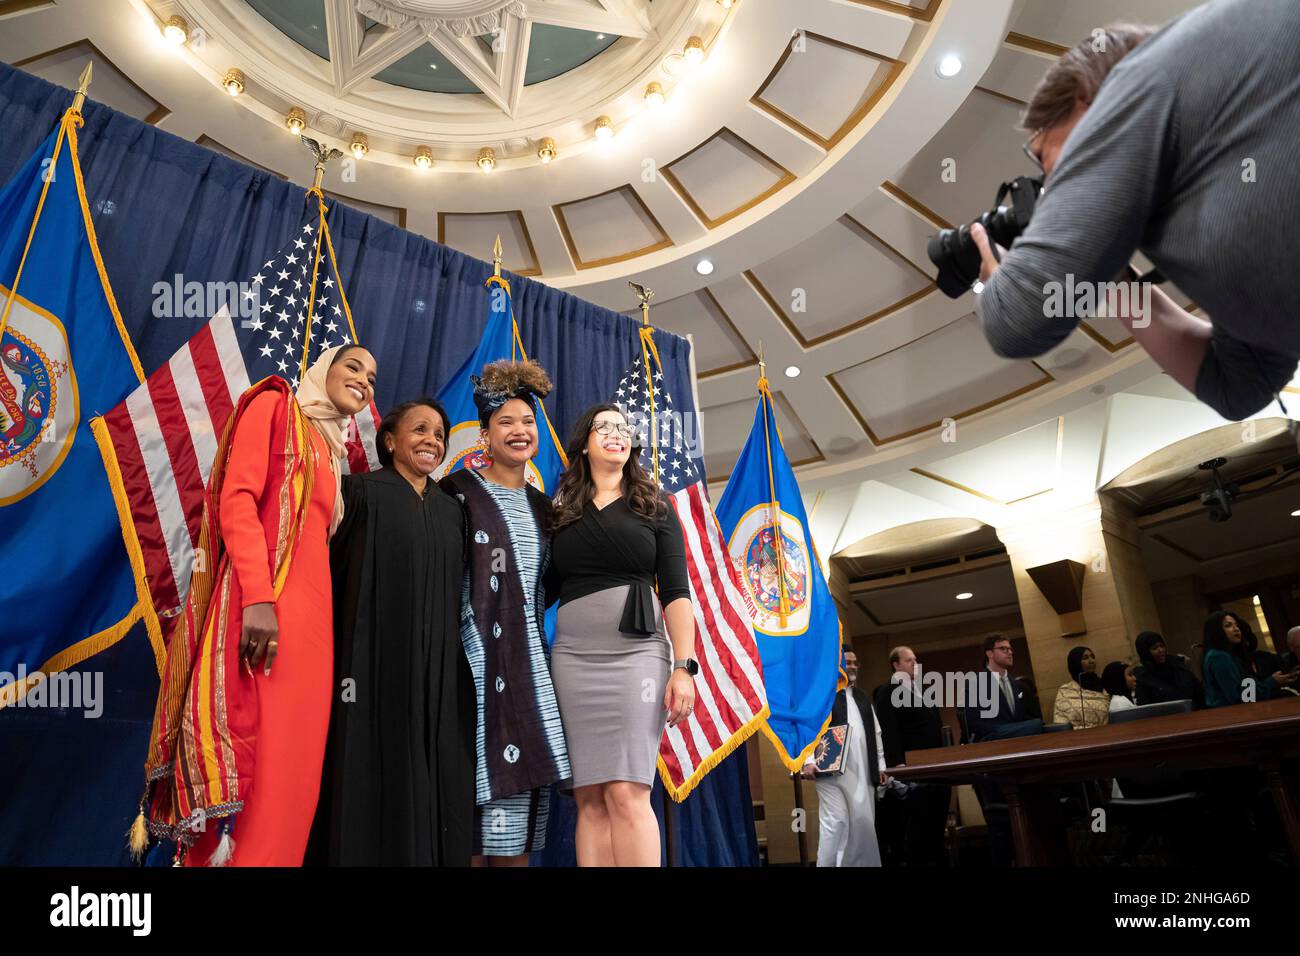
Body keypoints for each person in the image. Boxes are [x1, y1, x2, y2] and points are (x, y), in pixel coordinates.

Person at [971, 2, 1300, 421]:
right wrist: (1106, 270)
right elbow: (1240, 385)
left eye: (1042, 157)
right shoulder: (1213, 178)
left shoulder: (1137, 79)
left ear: (1085, 101)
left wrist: (998, 280)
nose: (1050, 186)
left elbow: (1015, 322)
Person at [132, 345, 377, 866]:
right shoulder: (275, 405)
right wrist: (260, 601)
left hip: (316, 626)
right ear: (322, 368)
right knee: (255, 764)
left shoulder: (332, 450)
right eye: (353, 366)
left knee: (296, 772)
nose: (364, 380)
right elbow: (238, 499)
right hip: (266, 611)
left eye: (373, 378)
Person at [308, 397, 475, 866]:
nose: (432, 441)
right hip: (366, 671)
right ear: (390, 440)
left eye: (440, 434)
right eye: (420, 430)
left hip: (438, 676)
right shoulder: (357, 494)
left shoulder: (451, 510)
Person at [545, 403, 697, 867]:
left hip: (638, 658)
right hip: (571, 660)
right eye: (603, 427)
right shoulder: (559, 509)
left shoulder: (656, 505)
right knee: (589, 797)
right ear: (585, 443)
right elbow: (540, 585)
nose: (616, 434)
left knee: (628, 790)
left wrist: (683, 668)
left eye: (623, 428)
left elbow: (675, 591)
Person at [439, 359, 570, 866]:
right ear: (485, 435)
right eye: (506, 422)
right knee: (471, 813)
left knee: (515, 826)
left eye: (528, 422)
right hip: (470, 674)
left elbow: (553, 586)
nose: (519, 431)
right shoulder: (457, 494)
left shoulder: (546, 508)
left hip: (529, 673)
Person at [800, 648, 885, 867]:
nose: (854, 666)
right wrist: (808, 760)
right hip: (829, 773)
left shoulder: (863, 698)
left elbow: (876, 733)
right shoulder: (823, 694)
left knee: (862, 823)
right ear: (837, 665)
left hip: (863, 771)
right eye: (849, 662)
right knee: (835, 822)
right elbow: (808, 726)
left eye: (856, 662)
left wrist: (882, 766)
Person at [872, 646, 949, 867]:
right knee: (918, 829)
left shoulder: (920, 689)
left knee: (936, 823)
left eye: (916, 659)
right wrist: (898, 765)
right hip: (912, 768)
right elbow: (889, 729)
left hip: (935, 765)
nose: (915, 663)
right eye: (909, 660)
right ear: (896, 665)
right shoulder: (887, 690)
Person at [1202, 610, 1298, 707]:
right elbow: (1241, 697)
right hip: (1231, 715)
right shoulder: (1219, 656)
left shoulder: (1223, 655)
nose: (1236, 629)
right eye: (1228, 625)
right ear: (1216, 631)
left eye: (1237, 625)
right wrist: (1272, 682)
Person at [963, 634, 1035, 742]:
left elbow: (1030, 718)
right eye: (1003, 649)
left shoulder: (1020, 686)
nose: (1010, 652)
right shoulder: (975, 685)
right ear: (989, 653)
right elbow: (973, 723)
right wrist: (1007, 732)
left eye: (1010, 649)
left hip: (1024, 744)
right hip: (994, 747)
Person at [1133, 631, 1204, 709]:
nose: (1161, 650)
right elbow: (1146, 710)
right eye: (1154, 648)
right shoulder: (1143, 677)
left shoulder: (1178, 667)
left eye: (1162, 646)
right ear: (1145, 652)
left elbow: (1200, 693)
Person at [1051, 646, 1110, 729]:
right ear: (1075, 662)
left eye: (1092, 657)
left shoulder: (1105, 686)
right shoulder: (1065, 691)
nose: (1091, 661)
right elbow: (1060, 724)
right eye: (1085, 658)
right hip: (1076, 738)